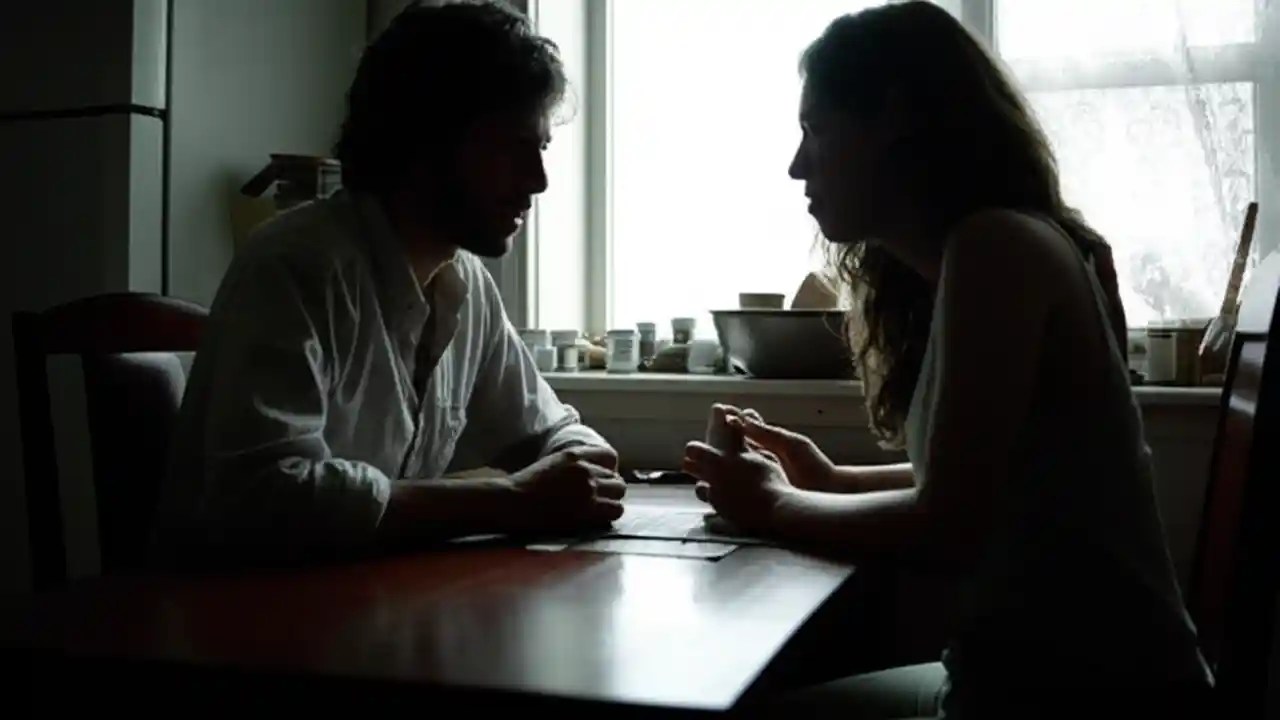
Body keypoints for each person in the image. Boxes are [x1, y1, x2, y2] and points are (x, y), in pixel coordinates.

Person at [682, 3, 1211, 718]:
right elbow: (1005, 476)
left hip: (1086, 699)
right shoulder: (990, 251)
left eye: (816, 129)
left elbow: (950, 520)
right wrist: (832, 480)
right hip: (1028, 684)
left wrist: (774, 504)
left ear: (893, 118)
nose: (797, 164)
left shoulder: (999, 251)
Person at [154, 1, 624, 566]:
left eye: (540, 149)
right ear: (424, 142)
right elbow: (264, 494)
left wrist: (578, 463)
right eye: (510, 148)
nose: (539, 182)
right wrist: (510, 498)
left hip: (360, 612)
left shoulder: (466, 283)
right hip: (236, 625)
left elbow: (553, 433)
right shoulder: (295, 265)